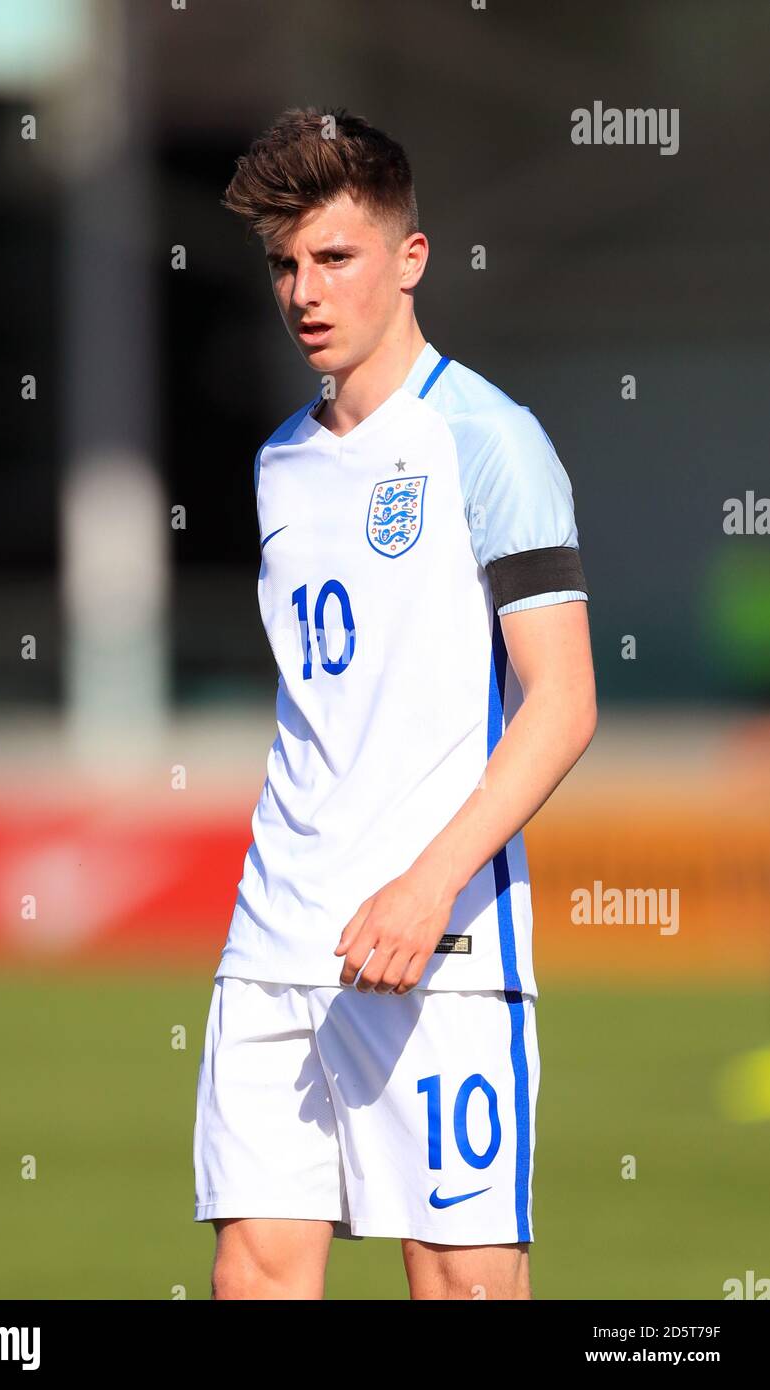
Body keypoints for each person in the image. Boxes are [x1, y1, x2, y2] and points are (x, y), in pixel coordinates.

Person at [193, 106, 597, 1300]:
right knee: (252, 1275)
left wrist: (425, 888)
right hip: (274, 937)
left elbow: (561, 704)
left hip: (441, 946)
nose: (302, 291)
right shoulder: (277, 461)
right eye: (282, 263)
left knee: (462, 1281)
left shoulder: (488, 441)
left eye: (333, 257)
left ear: (408, 259)